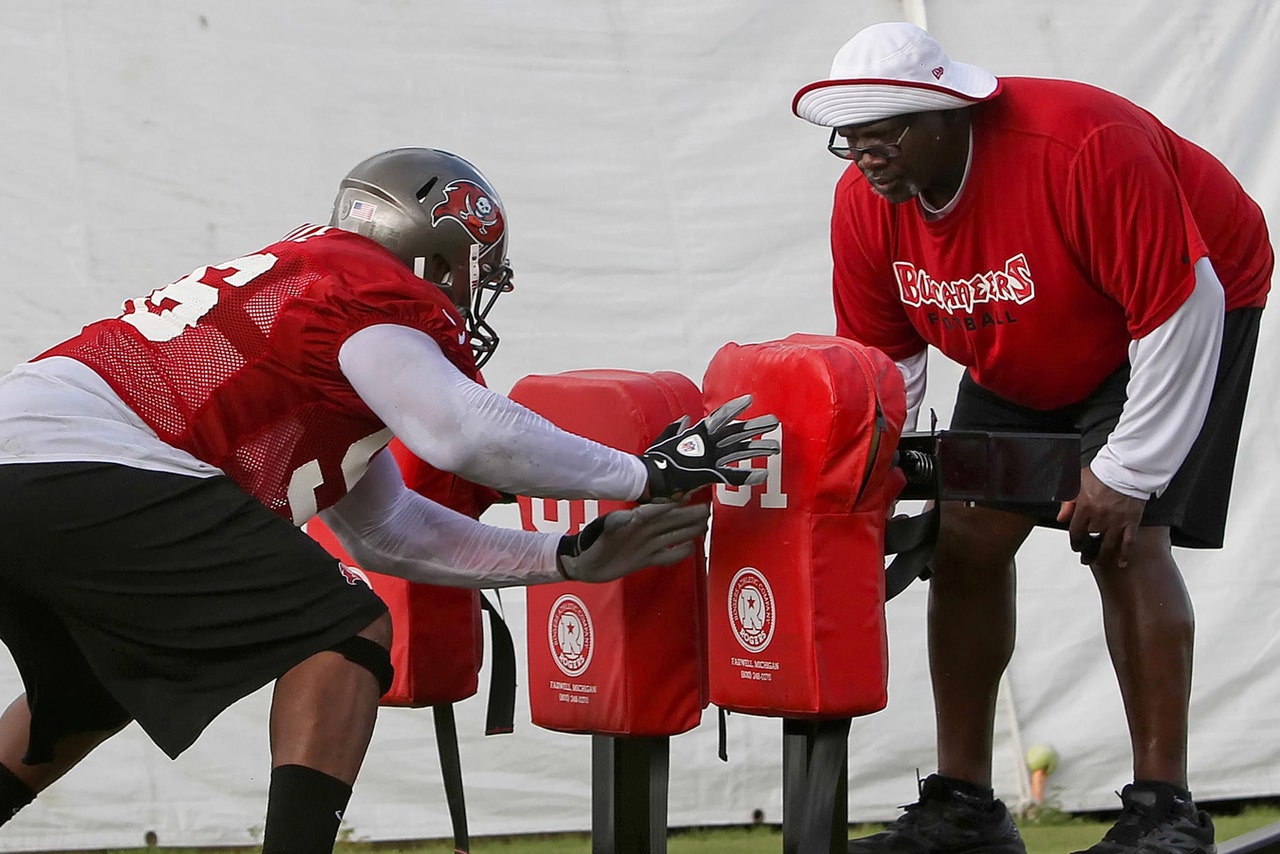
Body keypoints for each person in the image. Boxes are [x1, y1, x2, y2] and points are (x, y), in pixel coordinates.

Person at [0, 147, 778, 851]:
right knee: (345, 627)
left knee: (87, 692)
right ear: (438, 255)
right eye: (477, 268)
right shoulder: (367, 291)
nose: (477, 291)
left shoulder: (305, 299)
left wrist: (562, 557)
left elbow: (390, 530)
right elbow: (458, 430)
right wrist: (645, 474)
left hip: (34, 458)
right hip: (85, 457)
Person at [792, 22, 1271, 854]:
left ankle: (1167, 813)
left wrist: (1127, 471)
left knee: (1125, 537)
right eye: (853, 137)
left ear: (953, 114)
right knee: (967, 538)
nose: (867, 155)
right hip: (1024, 342)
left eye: (888, 131)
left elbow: (1179, 304)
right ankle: (965, 809)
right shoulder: (866, 206)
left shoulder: (1082, 147)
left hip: (1176, 311)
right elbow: (885, 364)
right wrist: (876, 473)